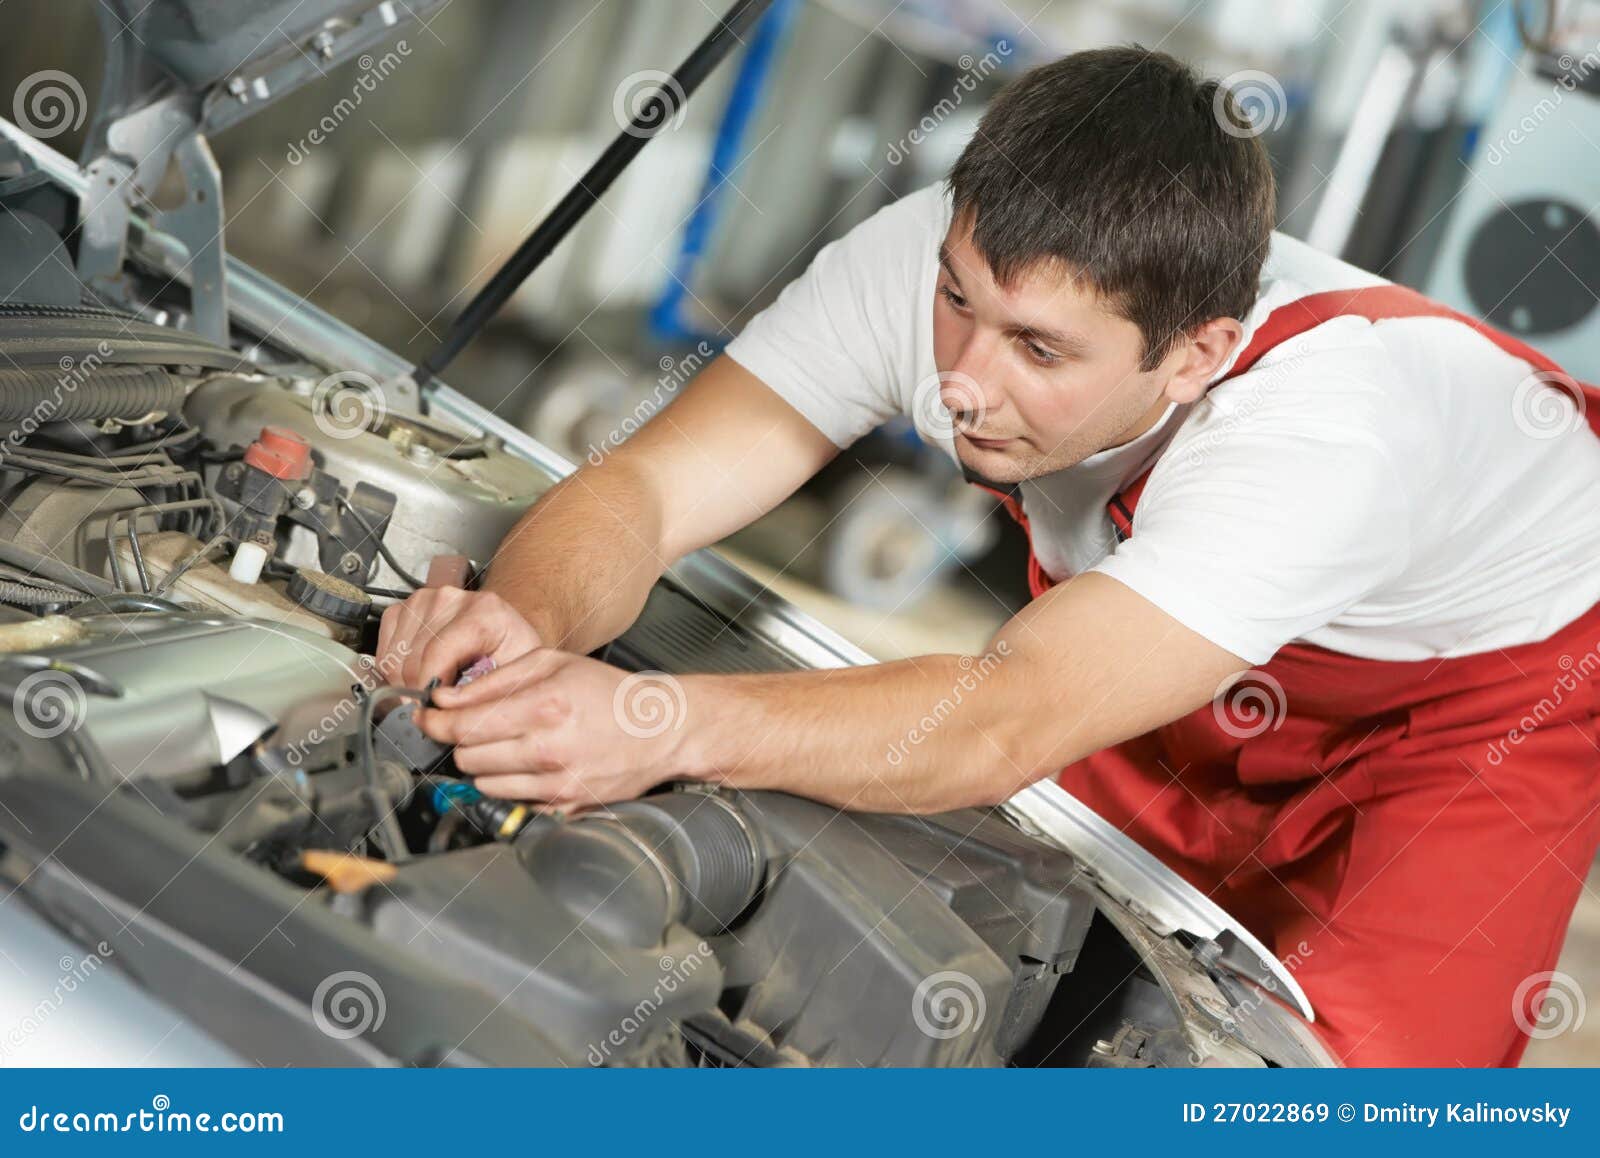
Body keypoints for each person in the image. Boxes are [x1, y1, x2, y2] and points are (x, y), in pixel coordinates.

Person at [378, 46, 1600, 1066]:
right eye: (959, 301)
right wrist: (526, 622)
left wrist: (655, 722)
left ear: (1194, 357)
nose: (960, 384)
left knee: (1339, 1094)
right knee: (1067, 960)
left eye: (1039, 353)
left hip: (1476, 697)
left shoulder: (1327, 437)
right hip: (1167, 623)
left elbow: (1004, 719)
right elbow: (643, 490)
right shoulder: (937, 263)